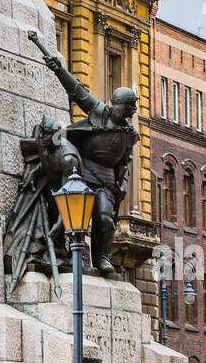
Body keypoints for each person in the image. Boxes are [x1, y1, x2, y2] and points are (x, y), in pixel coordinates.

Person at [32, 37, 139, 277]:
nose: (132, 112)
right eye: (130, 107)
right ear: (119, 104)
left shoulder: (130, 133)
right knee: (74, 217)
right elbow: (77, 91)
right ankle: (71, 254)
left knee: (104, 218)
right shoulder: (100, 113)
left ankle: (101, 257)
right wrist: (59, 69)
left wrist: (121, 183)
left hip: (107, 180)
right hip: (81, 170)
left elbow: (124, 163)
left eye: (133, 108)